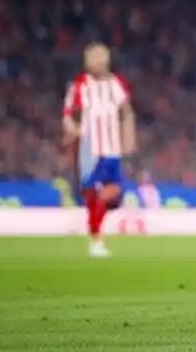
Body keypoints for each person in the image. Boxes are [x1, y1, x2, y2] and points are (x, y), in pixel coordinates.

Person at [63, 43, 136, 258]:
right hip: (90, 150)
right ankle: (96, 240)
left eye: (102, 58)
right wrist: (73, 129)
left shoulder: (116, 84)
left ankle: (96, 232)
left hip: (112, 150)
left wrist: (129, 138)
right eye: (94, 58)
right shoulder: (80, 84)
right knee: (94, 196)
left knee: (114, 192)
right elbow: (68, 114)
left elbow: (127, 112)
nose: (98, 62)